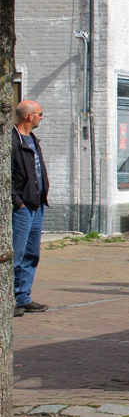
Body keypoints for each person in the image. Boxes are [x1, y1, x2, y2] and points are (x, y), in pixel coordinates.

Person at [11, 100, 49, 317]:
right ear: (29, 116)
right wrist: (18, 202)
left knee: (32, 254)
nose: (42, 117)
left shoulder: (33, 139)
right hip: (22, 208)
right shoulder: (12, 141)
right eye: (40, 114)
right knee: (16, 254)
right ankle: (11, 300)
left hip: (37, 205)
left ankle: (23, 297)